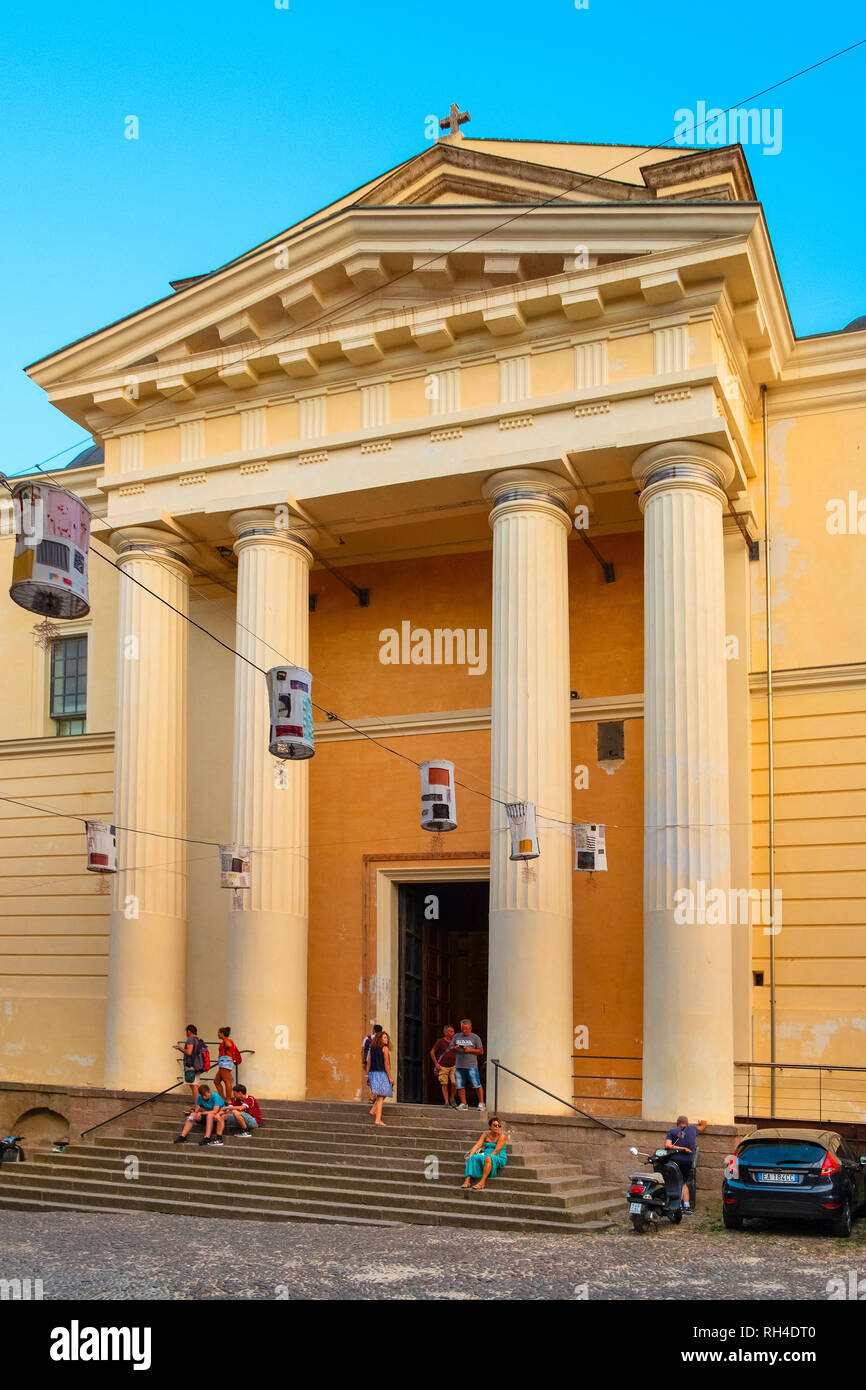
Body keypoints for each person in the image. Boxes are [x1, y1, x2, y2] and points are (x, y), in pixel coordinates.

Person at [664, 1115, 707, 1212]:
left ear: (677, 1123)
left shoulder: (672, 1131)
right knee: (683, 1182)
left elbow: (667, 1145)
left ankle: (677, 1205)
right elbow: (703, 1125)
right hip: (688, 1161)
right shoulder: (693, 1129)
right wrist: (701, 1122)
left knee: (675, 1182)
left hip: (675, 1160)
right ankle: (686, 1206)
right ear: (687, 1123)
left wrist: (681, 1148)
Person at [461, 1117, 507, 1191]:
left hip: (498, 1156)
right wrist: (471, 1154)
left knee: (488, 1158)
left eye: (499, 1126)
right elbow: (477, 1145)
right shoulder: (485, 1135)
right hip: (486, 1154)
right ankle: (467, 1181)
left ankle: (482, 1182)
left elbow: (496, 1151)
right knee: (473, 1157)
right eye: (495, 1125)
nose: (497, 1127)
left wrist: (486, 1157)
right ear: (490, 1126)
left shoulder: (502, 1137)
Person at [453, 1019, 486, 1111]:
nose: (464, 1031)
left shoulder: (475, 1038)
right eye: (462, 1029)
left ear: (470, 1028)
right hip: (459, 1065)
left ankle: (481, 1103)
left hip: (471, 1066)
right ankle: (464, 1103)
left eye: (466, 1029)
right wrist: (455, 1048)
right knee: (460, 1085)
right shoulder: (456, 1036)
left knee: (476, 1084)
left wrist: (470, 1050)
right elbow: (450, 1048)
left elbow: (481, 1051)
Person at [366, 1028, 394, 1126]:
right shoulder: (385, 1048)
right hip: (381, 1073)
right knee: (381, 1096)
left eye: (387, 1038)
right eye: (385, 1038)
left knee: (385, 1092)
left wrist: (368, 1076)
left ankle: (373, 1109)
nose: (387, 1040)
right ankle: (378, 1120)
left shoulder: (371, 1048)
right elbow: (387, 1064)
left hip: (373, 1073)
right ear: (380, 1039)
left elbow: (368, 1063)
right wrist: (390, 1077)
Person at [173, 1024, 206, 1102]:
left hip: (191, 1065)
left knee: (193, 1086)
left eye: (186, 1032)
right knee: (195, 1085)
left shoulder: (190, 1039)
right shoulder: (198, 1039)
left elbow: (189, 1052)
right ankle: (197, 1104)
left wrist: (180, 1048)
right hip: (198, 1065)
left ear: (189, 1031)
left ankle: (197, 1105)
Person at [429, 1025, 458, 1106]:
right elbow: (432, 1052)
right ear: (446, 1033)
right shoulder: (440, 1041)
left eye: (453, 1031)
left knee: (454, 1083)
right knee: (444, 1084)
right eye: (451, 1031)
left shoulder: (456, 1041)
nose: (453, 1033)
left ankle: (452, 1097)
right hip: (442, 1066)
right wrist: (436, 1063)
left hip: (454, 1066)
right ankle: (446, 1102)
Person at [214, 1026, 241, 1102]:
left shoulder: (226, 1040)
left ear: (222, 1034)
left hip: (225, 1062)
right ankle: (222, 1098)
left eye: (219, 1033)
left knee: (227, 1081)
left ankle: (228, 1099)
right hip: (224, 1062)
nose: (218, 1034)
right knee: (216, 1081)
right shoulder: (226, 1041)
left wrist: (225, 1040)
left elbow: (228, 1045)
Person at [362, 1024, 382, 1100]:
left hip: (369, 1059)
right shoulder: (382, 1039)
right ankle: (374, 1096)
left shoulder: (367, 1038)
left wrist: (364, 1062)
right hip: (379, 1060)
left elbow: (363, 1050)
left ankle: (373, 1095)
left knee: (371, 1078)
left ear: (373, 1030)